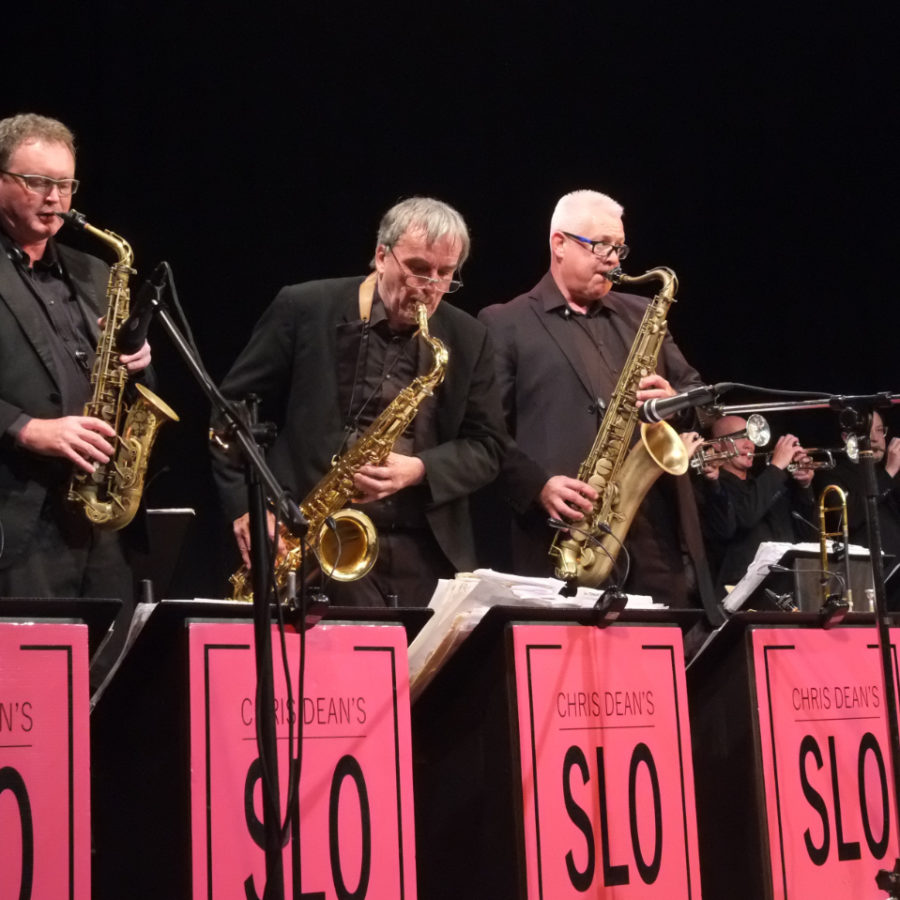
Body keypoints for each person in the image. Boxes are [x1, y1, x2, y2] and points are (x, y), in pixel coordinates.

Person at [212, 196, 505, 607]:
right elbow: (232, 411)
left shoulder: (467, 336)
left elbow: (489, 446)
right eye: (419, 269)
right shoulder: (305, 307)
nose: (430, 287)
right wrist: (247, 507)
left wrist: (419, 469)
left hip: (423, 555)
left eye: (445, 275)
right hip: (311, 543)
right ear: (381, 255)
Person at [478, 189, 715, 612]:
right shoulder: (505, 322)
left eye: (619, 248)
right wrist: (538, 486)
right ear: (559, 244)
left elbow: (704, 401)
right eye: (600, 246)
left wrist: (676, 400)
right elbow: (486, 430)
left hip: (657, 537)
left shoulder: (643, 313)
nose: (613, 259)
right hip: (565, 538)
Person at [0, 114, 152, 685]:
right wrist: (27, 428)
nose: (55, 200)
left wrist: (140, 362)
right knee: (29, 697)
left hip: (96, 523)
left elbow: (128, 385)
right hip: (17, 524)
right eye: (38, 183)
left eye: (65, 186)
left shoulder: (92, 270)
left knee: (105, 690)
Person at [707, 415, 814, 593]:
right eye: (741, 436)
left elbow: (805, 532)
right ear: (717, 444)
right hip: (742, 590)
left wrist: (805, 486)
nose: (749, 444)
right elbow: (746, 516)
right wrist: (777, 466)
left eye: (751, 436)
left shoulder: (765, 485)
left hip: (786, 585)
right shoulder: (716, 487)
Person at [828, 411, 900, 607]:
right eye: (868, 432)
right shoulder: (834, 474)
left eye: (880, 430)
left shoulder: (890, 472)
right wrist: (889, 472)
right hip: (865, 583)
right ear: (846, 437)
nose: (876, 438)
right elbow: (852, 517)